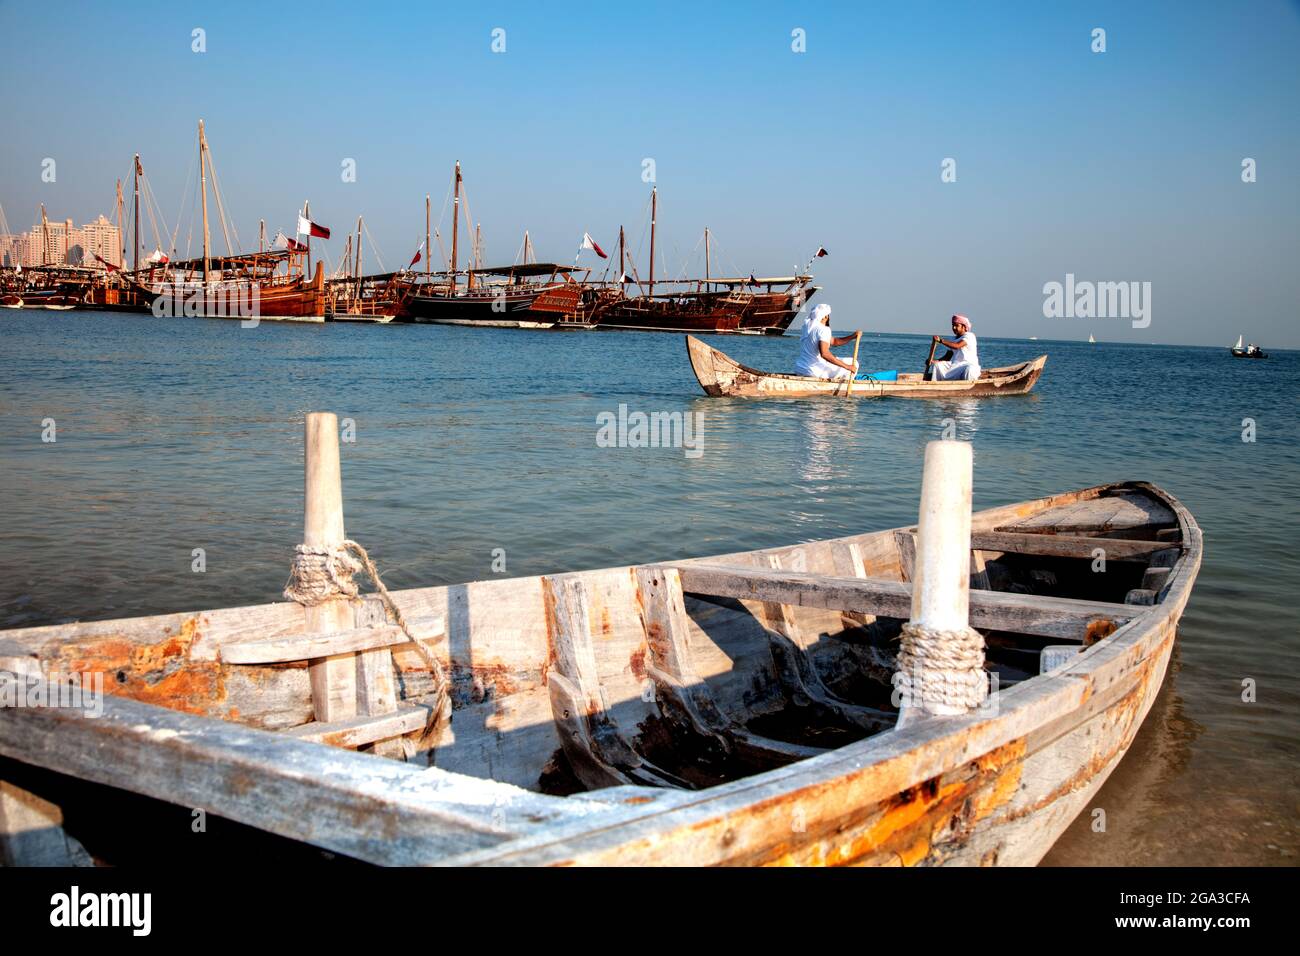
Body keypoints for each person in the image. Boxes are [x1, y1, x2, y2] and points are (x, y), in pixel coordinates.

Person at [795, 303, 859, 379]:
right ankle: (840, 388)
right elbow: (825, 354)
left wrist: (852, 336)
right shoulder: (824, 329)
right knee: (854, 362)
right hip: (813, 371)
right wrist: (847, 367)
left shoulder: (808, 327)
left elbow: (834, 341)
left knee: (841, 362)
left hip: (800, 368)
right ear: (825, 316)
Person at [928, 314, 981, 381]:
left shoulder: (969, 336)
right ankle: (937, 386)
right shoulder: (952, 339)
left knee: (969, 369)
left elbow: (957, 346)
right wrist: (933, 361)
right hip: (955, 365)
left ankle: (967, 388)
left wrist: (941, 341)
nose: (954, 328)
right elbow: (947, 356)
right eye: (953, 325)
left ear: (964, 327)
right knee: (938, 365)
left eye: (956, 325)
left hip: (967, 365)